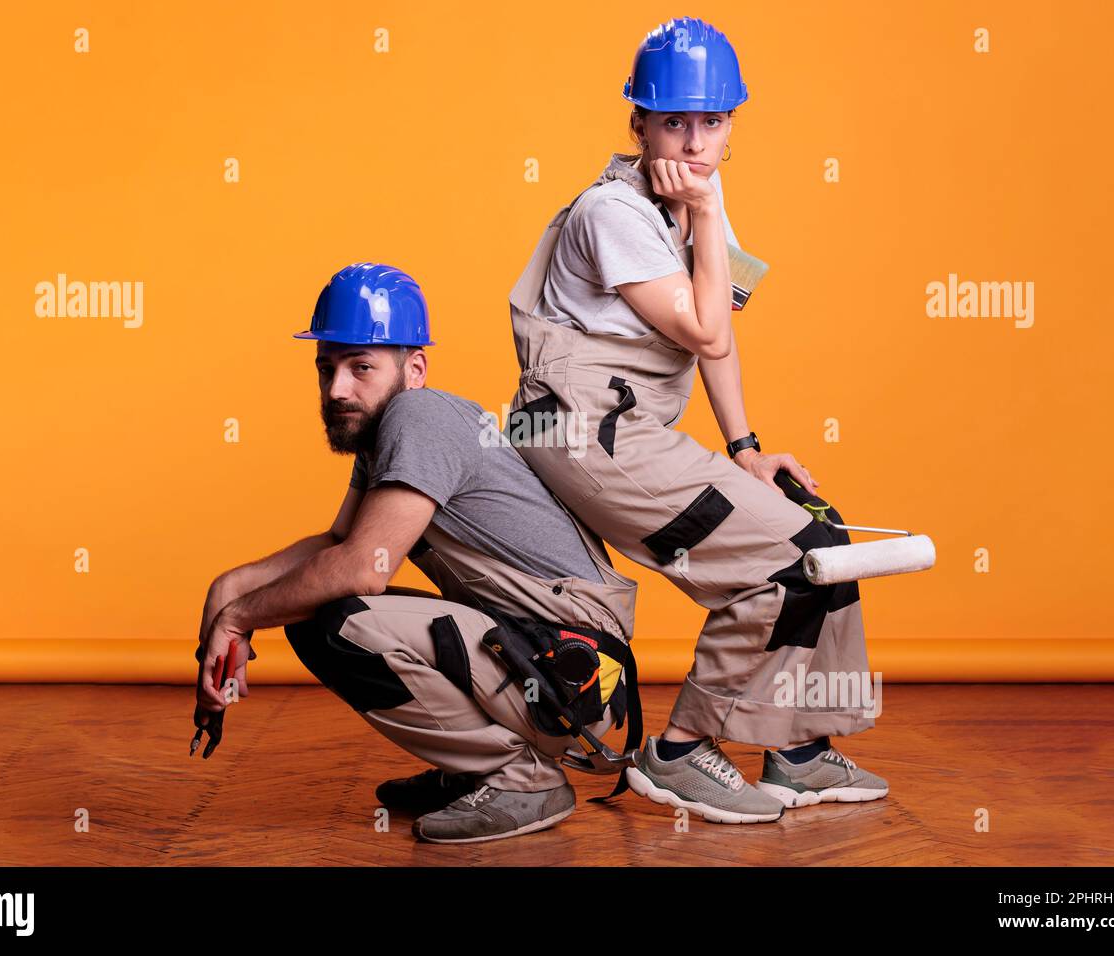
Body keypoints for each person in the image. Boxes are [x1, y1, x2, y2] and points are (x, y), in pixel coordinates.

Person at [503, 17, 888, 823]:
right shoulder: (614, 211)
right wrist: (709, 218)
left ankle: (799, 751)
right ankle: (678, 752)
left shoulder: (696, 206)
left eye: (711, 122)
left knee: (820, 531)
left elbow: (720, 334)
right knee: (786, 559)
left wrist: (744, 447)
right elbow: (705, 328)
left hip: (631, 428)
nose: (692, 142)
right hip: (577, 430)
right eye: (673, 121)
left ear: (730, 126)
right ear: (636, 121)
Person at [192, 262, 646, 843]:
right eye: (326, 368)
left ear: (415, 369)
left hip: (575, 674)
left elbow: (360, 567)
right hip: (533, 650)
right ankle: (474, 767)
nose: (337, 389)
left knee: (334, 620)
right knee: (309, 596)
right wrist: (229, 587)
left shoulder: (419, 414)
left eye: (361, 367)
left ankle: (518, 777)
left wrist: (239, 617)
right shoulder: (386, 426)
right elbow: (338, 542)